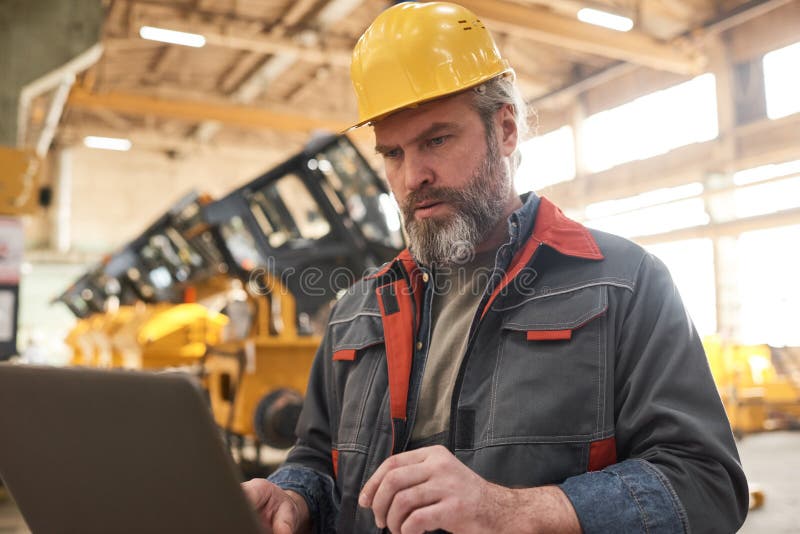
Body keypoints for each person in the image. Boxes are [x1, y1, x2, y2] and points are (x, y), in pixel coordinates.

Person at [242, 2, 749, 533]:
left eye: (436, 140)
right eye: (392, 153)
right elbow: (317, 460)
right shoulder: (356, 309)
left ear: (505, 131)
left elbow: (706, 484)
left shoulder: (624, 284)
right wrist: (292, 497)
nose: (413, 175)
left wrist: (513, 511)